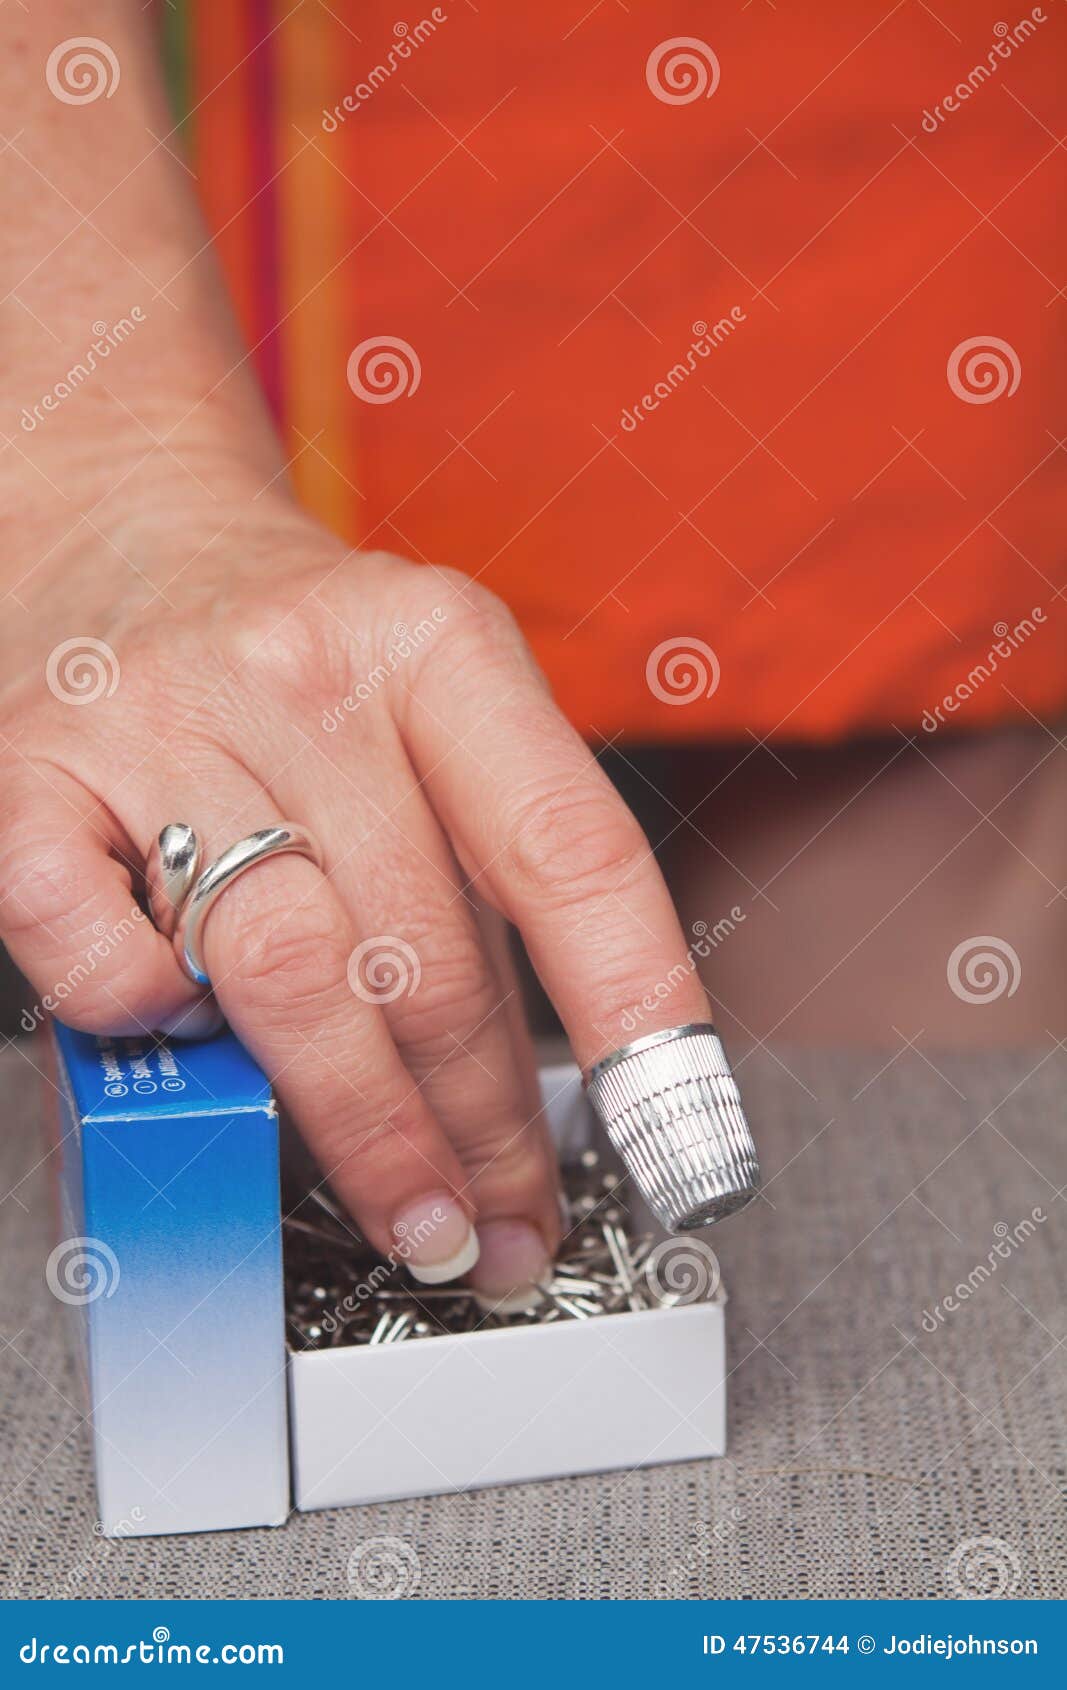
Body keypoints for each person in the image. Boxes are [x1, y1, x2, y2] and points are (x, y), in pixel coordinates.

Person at [1, 3, 1063, 1308]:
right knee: (313, 885)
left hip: (913, 92)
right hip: (387, 138)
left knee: (914, 1148)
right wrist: (107, 489)